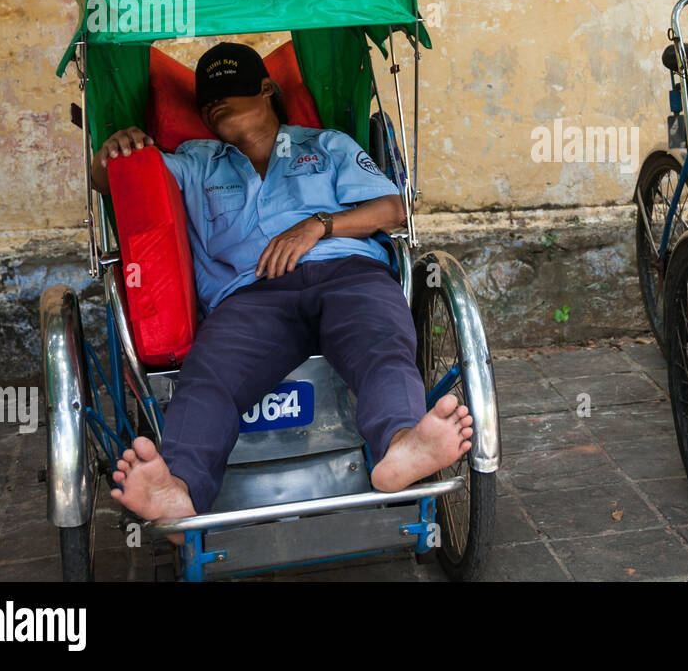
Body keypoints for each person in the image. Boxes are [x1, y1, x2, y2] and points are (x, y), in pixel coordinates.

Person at [90, 42, 472, 531]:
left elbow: (392, 209)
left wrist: (319, 226)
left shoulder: (326, 145)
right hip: (252, 296)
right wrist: (113, 154)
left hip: (347, 273)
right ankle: (178, 487)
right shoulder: (196, 160)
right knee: (208, 375)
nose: (213, 105)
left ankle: (401, 446)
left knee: (382, 344)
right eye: (207, 100)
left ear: (267, 89)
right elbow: (114, 181)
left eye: (229, 91)